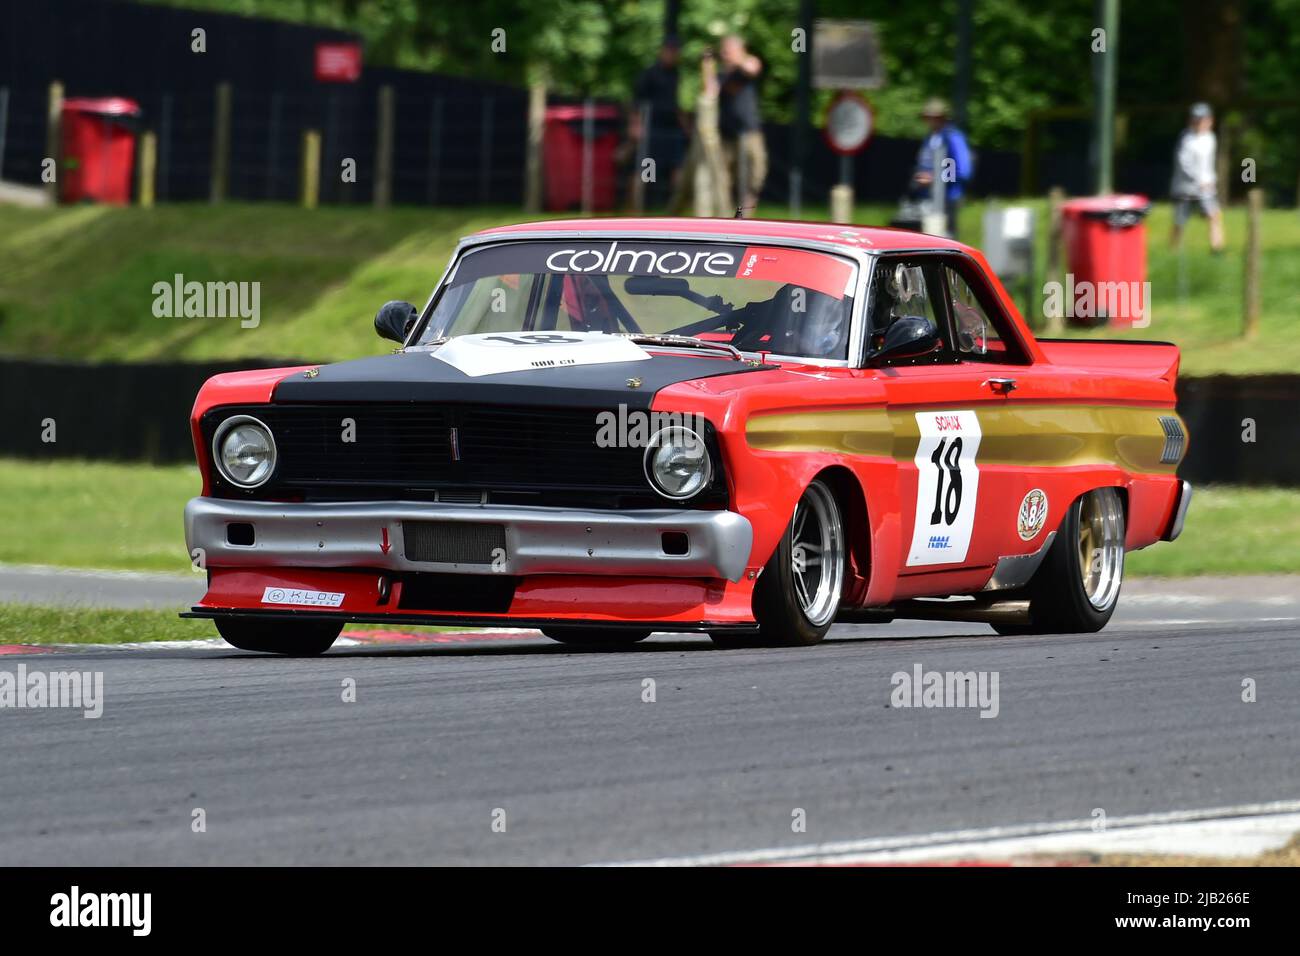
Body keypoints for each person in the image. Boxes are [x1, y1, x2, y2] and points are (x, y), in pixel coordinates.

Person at [629, 36, 686, 207]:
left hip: (672, 131)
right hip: (652, 131)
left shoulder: (677, 75)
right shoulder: (650, 74)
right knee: (647, 171)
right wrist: (636, 126)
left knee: (677, 169)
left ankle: (673, 208)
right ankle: (637, 208)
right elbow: (637, 103)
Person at [716, 34, 766, 216]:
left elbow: (753, 67)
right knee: (725, 180)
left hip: (750, 131)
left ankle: (744, 215)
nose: (725, 55)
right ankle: (729, 217)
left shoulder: (745, 67)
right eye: (724, 51)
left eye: (728, 51)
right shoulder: (721, 75)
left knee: (755, 176)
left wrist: (738, 60)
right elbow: (710, 91)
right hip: (727, 136)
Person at [909, 98, 973, 239]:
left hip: (948, 198)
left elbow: (964, 169)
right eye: (928, 118)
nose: (930, 121)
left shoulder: (953, 137)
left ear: (942, 118)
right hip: (927, 199)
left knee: (946, 238)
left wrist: (935, 179)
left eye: (934, 118)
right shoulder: (930, 138)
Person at [1170, 102, 1225, 253]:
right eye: (1197, 119)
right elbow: (1184, 164)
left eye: (1204, 119)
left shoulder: (1210, 138)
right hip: (1186, 189)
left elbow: (1208, 165)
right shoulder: (1186, 139)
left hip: (1206, 189)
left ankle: (1217, 250)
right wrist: (1199, 181)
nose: (1201, 123)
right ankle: (1173, 250)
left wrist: (1211, 180)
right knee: (1179, 222)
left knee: (1214, 216)